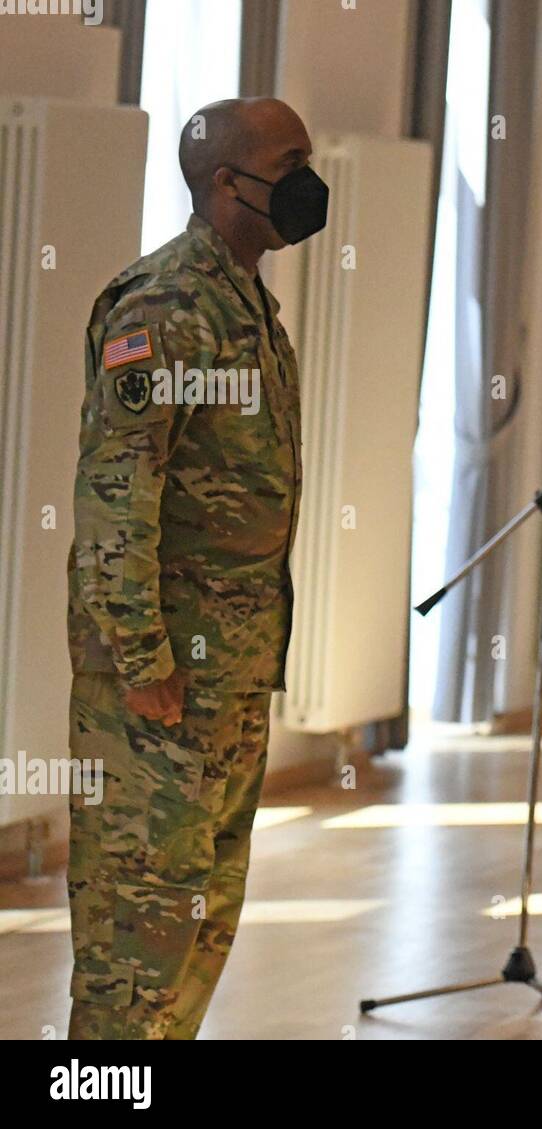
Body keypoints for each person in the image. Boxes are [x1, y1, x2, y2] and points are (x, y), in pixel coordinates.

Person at [65, 97, 327, 1039]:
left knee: (201, 922)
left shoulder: (245, 302)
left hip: (229, 678)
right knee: (138, 939)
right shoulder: (167, 305)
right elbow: (115, 498)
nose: (309, 179)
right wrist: (142, 662)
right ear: (228, 181)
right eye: (292, 160)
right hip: (164, 684)